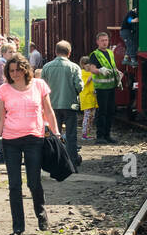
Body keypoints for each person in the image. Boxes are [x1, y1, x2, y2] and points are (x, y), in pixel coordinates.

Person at [0, 56, 58, 235]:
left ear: (25, 70)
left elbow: (48, 110)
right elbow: (0, 118)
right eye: (11, 71)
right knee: (14, 185)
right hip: (11, 140)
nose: (15, 74)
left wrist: (56, 132)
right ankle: (18, 227)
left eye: (18, 70)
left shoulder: (38, 85)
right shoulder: (4, 89)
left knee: (34, 181)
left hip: (34, 138)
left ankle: (41, 215)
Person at [44, 40, 84, 171]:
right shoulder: (74, 67)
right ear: (69, 53)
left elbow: (42, 87)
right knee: (71, 135)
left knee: (54, 135)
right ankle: (72, 164)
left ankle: (56, 164)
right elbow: (79, 86)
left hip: (52, 106)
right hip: (70, 105)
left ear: (56, 52)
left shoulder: (47, 67)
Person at [87, 32, 119, 144]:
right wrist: (100, 70)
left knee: (110, 111)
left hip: (111, 86)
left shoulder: (110, 53)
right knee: (102, 112)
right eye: (102, 40)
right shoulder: (95, 54)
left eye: (106, 40)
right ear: (97, 42)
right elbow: (92, 68)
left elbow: (112, 67)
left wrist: (117, 73)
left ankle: (107, 135)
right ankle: (100, 136)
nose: (105, 42)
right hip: (101, 87)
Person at [78, 57, 98, 139]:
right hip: (86, 97)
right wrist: (90, 77)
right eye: (87, 65)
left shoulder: (91, 73)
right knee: (87, 115)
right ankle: (84, 134)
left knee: (92, 116)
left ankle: (88, 133)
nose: (89, 67)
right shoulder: (81, 73)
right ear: (83, 65)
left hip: (93, 97)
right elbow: (84, 83)